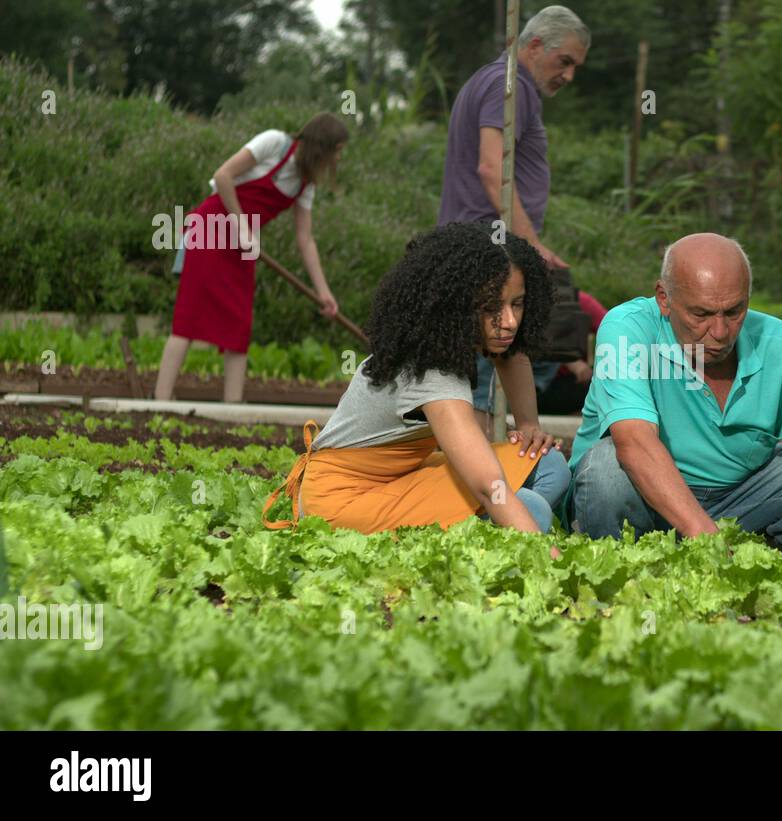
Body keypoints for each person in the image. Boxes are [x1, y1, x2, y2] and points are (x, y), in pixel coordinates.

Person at [567, 233, 782, 549]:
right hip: (644, 498)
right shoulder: (628, 329)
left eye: (734, 312)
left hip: (736, 498)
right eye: (700, 314)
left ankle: (779, 561)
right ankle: (624, 565)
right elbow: (634, 442)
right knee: (606, 471)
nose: (719, 332)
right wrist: (713, 549)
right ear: (664, 298)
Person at [262, 222, 569, 537]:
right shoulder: (432, 373)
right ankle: (495, 537)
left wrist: (529, 424)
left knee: (548, 464)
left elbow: (511, 354)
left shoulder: (448, 338)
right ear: (454, 306)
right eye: (492, 307)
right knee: (529, 507)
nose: (510, 322)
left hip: (397, 477)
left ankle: (486, 531)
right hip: (340, 501)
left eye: (517, 303)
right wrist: (550, 561)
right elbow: (490, 488)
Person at [436, 5, 589, 432]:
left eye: (576, 67)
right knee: (487, 371)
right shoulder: (511, 85)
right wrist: (531, 245)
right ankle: (487, 482)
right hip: (488, 246)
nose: (569, 75)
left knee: (483, 363)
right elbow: (492, 168)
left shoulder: (492, 81)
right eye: (565, 62)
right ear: (535, 45)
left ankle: (485, 475)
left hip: (474, 243)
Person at [156, 112, 347, 403]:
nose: (338, 159)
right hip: (210, 227)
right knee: (188, 315)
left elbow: (305, 240)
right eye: (337, 151)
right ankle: (160, 402)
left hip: (243, 244)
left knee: (239, 323)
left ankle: (232, 408)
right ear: (323, 146)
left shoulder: (304, 184)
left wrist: (324, 292)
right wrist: (243, 226)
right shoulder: (274, 143)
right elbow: (223, 176)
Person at [533, 290, 607, 414]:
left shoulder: (581, 301)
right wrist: (570, 360)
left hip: (572, 382)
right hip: (536, 388)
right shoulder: (526, 300)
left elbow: (615, 331)